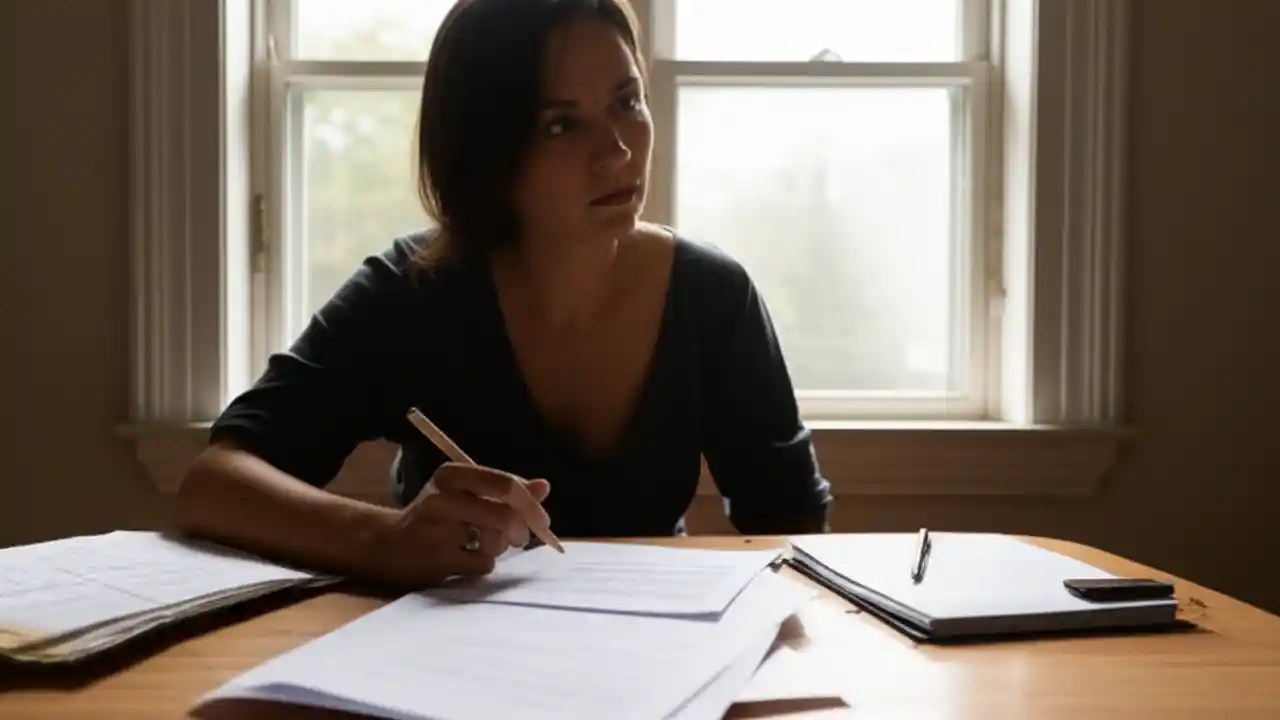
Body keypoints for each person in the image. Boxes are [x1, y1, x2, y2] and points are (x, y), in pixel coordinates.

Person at [175, 0, 831, 589]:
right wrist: (385, 539)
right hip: (443, 666)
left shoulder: (714, 298)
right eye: (560, 125)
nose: (619, 149)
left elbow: (793, 526)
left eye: (627, 102)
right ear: (485, 148)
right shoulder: (413, 294)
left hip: (651, 664)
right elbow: (215, 486)